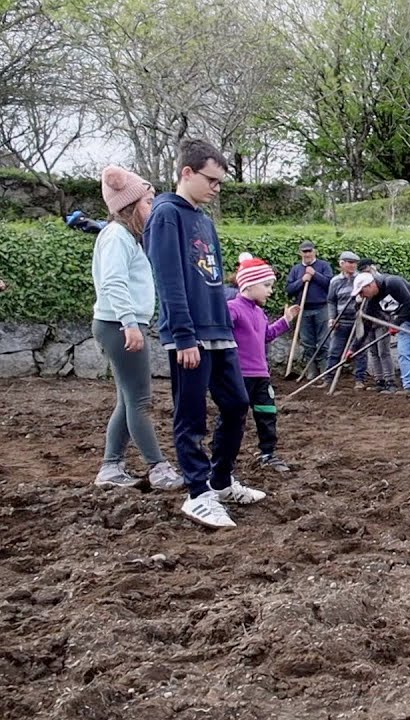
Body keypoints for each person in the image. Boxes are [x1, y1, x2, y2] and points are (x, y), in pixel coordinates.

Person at [147, 138, 265, 530]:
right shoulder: (166, 214)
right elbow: (169, 279)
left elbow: (212, 280)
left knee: (236, 405)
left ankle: (220, 479)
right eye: (212, 180)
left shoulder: (204, 218)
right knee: (191, 415)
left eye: (220, 182)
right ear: (187, 172)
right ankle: (198, 494)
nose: (217, 188)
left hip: (219, 331)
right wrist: (183, 335)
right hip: (190, 336)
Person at [90, 165, 183, 491]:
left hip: (118, 323)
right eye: (148, 201)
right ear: (129, 206)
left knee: (128, 400)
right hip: (118, 324)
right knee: (140, 400)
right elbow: (113, 282)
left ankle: (111, 468)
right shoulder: (117, 236)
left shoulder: (125, 236)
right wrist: (130, 323)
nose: (153, 207)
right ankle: (159, 469)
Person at [225, 256, 301, 472]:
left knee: (267, 413)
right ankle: (225, 460)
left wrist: (285, 321)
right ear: (248, 285)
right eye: (266, 285)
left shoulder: (259, 312)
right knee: (234, 418)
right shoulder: (232, 308)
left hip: (261, 375)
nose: (270, 291)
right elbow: (221, 331)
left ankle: (268, 453)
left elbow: (266, 335)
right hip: (240, 375)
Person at [285, 241, 333, 379]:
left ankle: (324, 371)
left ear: (314, 251)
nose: (307, 254)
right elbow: (289, 290)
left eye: (309, 251)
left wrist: (315, 275)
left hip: (321, 308)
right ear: (300, 253)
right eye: (304, 251)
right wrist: (302, 280)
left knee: (323, 340)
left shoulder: (324, 266)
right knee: (307, 342)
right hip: (303, 310)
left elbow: (329, 284)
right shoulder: (296, 270)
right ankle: (311, 370)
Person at [326, 250, 369, 389]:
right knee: (334, 351)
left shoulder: (361, 279)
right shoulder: (335, 281)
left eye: (355, 263)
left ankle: (360, 380)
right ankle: (328, 379)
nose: (353, 266)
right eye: (350, 263)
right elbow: (331, 301)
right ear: (342, 264)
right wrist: (332, 318)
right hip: (341, 321)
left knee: (360, 351)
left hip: (358, 321)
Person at [358, 259, 397, 392]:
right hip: (369, 324)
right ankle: (379, 380)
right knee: (373, 352)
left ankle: (390, 381)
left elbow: (391, 306)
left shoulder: (381, 283)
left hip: (382, 322)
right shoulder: (361, 283)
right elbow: (358, 306)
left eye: (367, 269)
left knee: (383, 351)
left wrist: (390, 321)